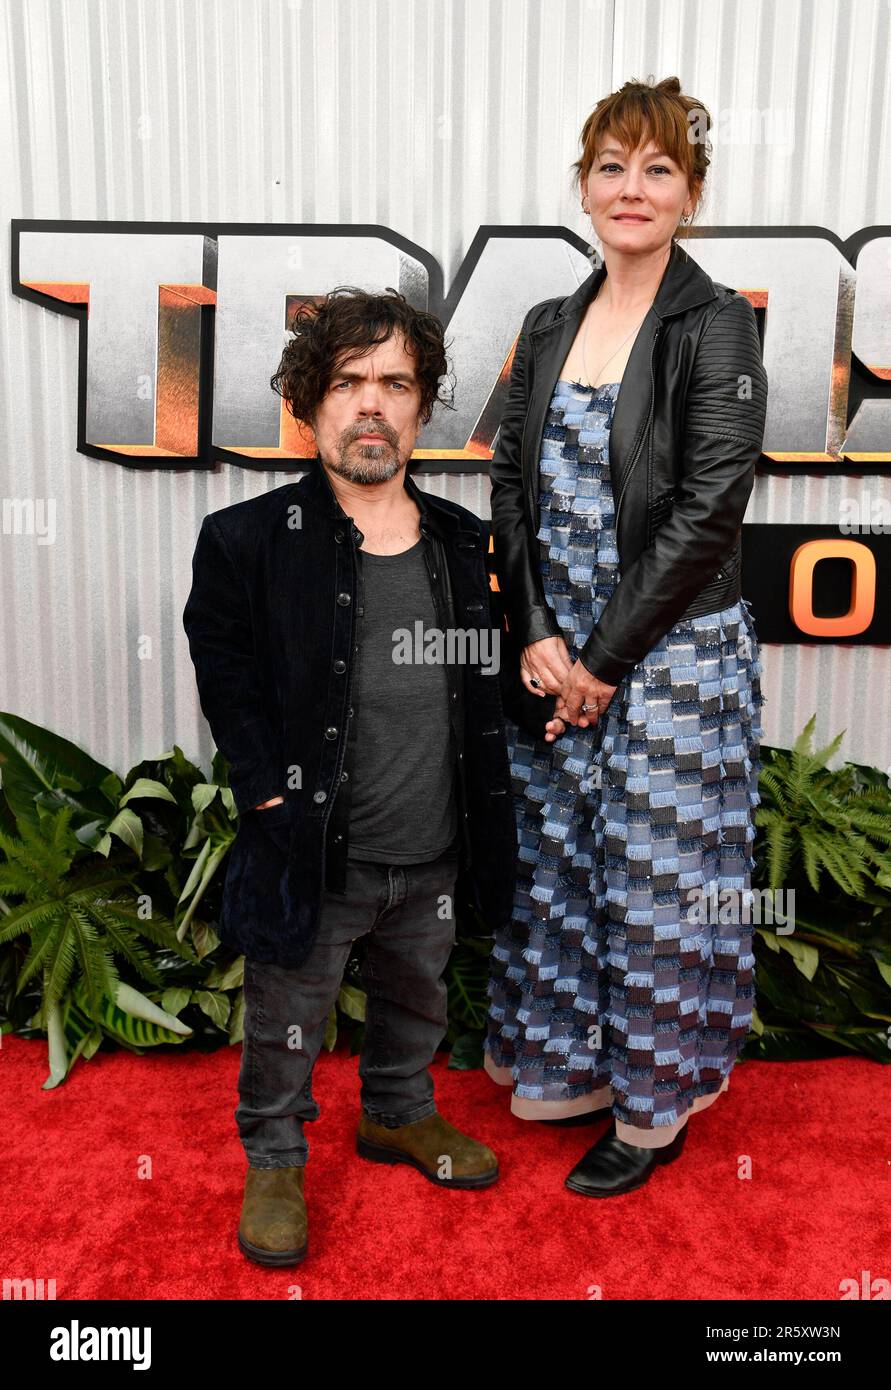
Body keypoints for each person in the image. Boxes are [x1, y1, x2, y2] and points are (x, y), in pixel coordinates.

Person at [183, 287, 517, 1266]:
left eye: (397, 384)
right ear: (309, 399)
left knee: (419, 996)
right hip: (314, 846)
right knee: (289, 1016)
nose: (372, 403)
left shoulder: (463, 542)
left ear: (421, 406)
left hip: (436, 846)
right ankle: (278, 1158)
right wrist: (269, 794)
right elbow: (226, 673)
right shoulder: (246, 540)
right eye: (349, 381)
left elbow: (483, 682)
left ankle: (398, 1114)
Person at [486, 76, 769, 1196]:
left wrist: (606, 659)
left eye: (657, 169)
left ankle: (654, 1114)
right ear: (584, 185)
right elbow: (510, 480)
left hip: (672, 663)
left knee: (657, 886)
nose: (632, 188)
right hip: (557, 663)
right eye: (611, 166)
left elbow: (710, 506)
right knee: (559, 868)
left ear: (690, 195)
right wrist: (541, 632)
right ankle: (571, 1074)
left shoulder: (716, 321)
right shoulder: (549, 322)